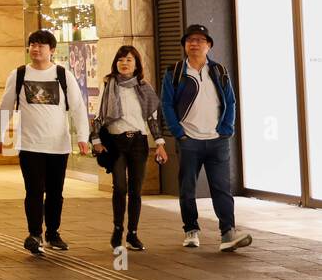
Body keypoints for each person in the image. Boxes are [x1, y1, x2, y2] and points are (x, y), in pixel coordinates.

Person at [0, 30, 91, 254]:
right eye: (33, 44)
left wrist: (83, 138)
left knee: (56, 192)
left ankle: (53, 233)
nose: (36, 49)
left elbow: (78, 108)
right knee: (34, 191)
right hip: (29, 145)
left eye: (41, 45)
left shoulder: (63, 75)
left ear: (52, 50)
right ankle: (34, 234)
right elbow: (5, 106)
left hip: (58, 145)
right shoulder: (19, 74)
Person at [161, 23, 250, 252]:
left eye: (200, 40)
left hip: (218, 140)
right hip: (189, 140)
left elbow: (230, 101)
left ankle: (227, 232)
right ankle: (191, 229)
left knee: (222, 188)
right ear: (184, 45)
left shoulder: (219, 71)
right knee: (187, 187)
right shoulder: (175, 73)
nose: (194, 44)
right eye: (190, 40)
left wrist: (227, 129)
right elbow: (167, 105)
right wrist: (179, 133)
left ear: (209, 45)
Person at [90, 46, 168, 251]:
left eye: (129, 60)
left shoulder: (143, 87)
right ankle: (117, 229)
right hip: (115, 142)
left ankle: (133, 234)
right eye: (121, 60)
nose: (124, 63)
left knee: (135, 190)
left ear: (137, 64)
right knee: (120, 188)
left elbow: (152, 119)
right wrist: (96, 140)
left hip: (139, 143)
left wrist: (160, 144)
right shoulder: (108, 85)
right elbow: (98, 117)